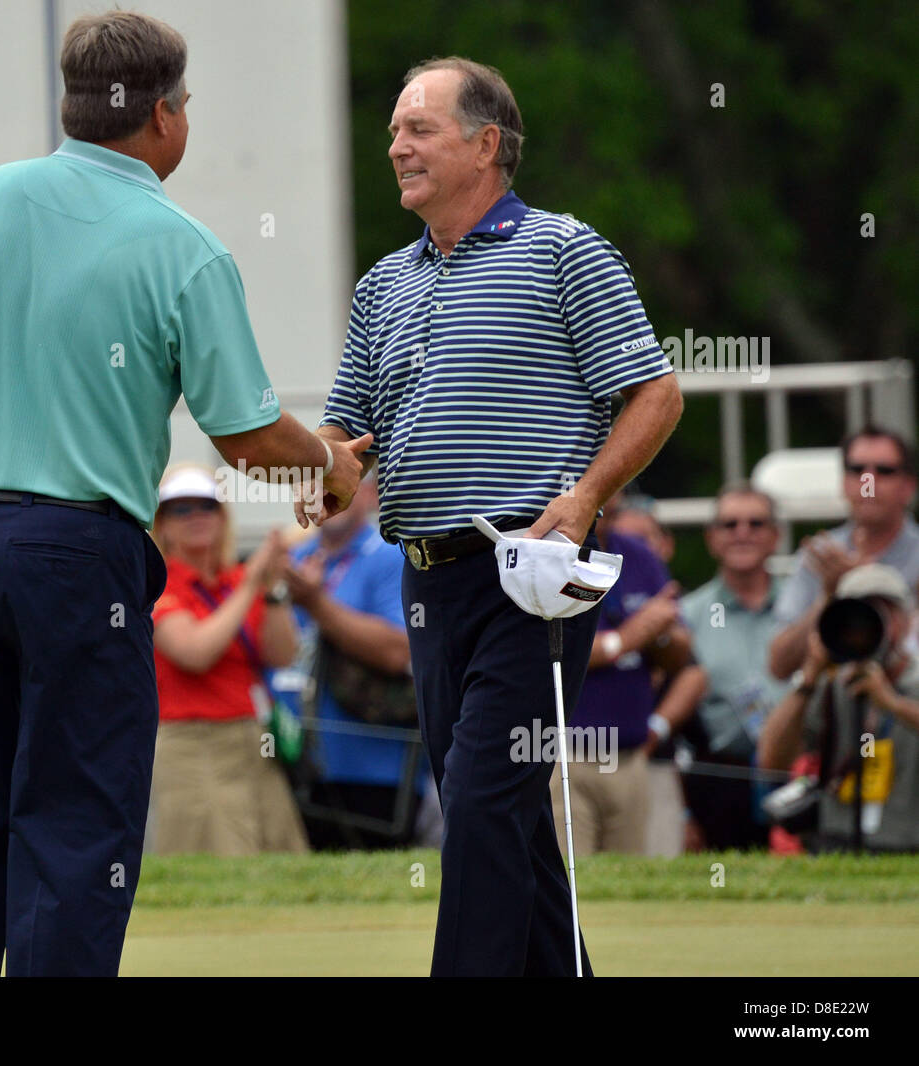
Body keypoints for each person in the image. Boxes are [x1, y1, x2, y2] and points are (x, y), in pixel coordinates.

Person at [0, 11, 366, 976]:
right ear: (167, 117)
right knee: (75, 828)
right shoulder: (184, 248)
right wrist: (330, 469)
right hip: (75, 555)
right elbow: (250, 433)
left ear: (75, 104)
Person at [307, 57, 682, 975]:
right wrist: (324, 466)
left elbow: (655, 393)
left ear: (486, 144)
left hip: (533, 573)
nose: (396, 147)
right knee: (500, 808)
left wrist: (587, 497)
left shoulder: (564, 249)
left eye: (419, 129)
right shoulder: (383, 284)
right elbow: (345, 429)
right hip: (426, 581)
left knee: (479, 800)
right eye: (394, 130)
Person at [149, 465, 305, 854]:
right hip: (191, 744)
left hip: (252, 737)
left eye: (206, 506)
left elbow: (282, 654)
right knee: (216, 865)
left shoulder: (236, 581)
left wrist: (271, 589)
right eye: (180, 509)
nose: (196, 517)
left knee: (278, 860)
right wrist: (252, 581)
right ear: (162, 524)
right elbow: (195, 652)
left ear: (222, 517)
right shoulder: (157, 582)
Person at [556, 493, 704, 857]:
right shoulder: (546, 552)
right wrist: (627, 638)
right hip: (563, 752)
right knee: (571, 882)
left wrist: (662, 632)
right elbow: (542, 651)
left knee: (629, 880)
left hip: (632, 752)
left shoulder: (638, 555)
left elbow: (680, 657)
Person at [284, 474, 420, 849]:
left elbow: (400, 651)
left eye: (345, 482)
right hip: (293, 760)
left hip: (375, 770)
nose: (329, 494)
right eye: (317, 484)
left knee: (377, 893)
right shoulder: (292, 558)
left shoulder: (392, 555)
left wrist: (316, 604)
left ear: (373, 494)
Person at [758, 564, 919, 852]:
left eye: (881, 614)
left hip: (908, 843)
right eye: (854, 618)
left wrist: (893, 704)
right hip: (835, 842)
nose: (865, 630)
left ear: (907, 621)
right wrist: (809, 676)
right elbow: (773, 760)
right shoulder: (831, 685)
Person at [679, 484, 786, 850]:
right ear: (711, 538)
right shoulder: (687, 615)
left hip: (800, 774)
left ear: (776, 536)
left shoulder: (803, 607)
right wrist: (683, 814)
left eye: (756, 524)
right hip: (720, 783)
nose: (743, 533)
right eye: (730, 524)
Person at [768, 426, 919, 681]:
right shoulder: (820, 554)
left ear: (909, 487)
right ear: (843, 483)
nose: (868, 481)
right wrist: (830, 595)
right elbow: (779, 666)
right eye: (857, 470)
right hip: (833, 714)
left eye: (884, 471)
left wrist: (865, 583)